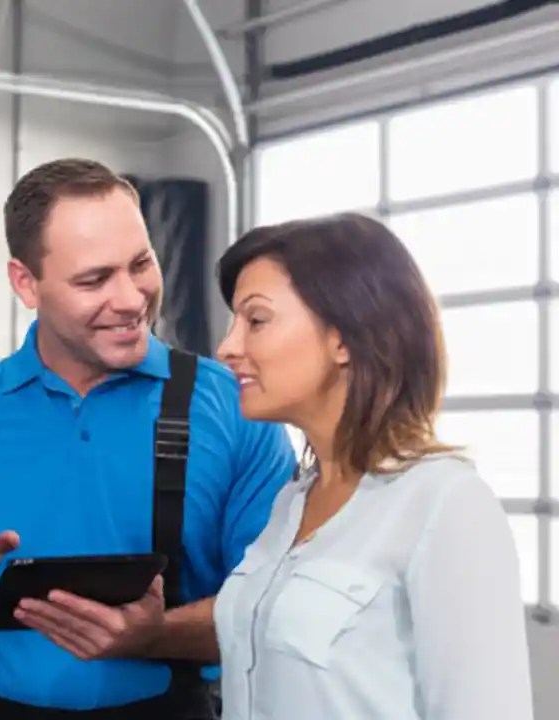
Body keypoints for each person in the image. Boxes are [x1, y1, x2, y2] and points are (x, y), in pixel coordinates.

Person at [0, 157, 297, 719]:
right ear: (26, 283)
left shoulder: (237, 408)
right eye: (94, 279)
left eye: (141, 263)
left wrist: (156, 635)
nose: (132, 298)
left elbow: (279, 614)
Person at [212, 212, 534, 720]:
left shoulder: (445, 505)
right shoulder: (292, 502)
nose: (227, 347)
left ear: (343, 337)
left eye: (256, 320)